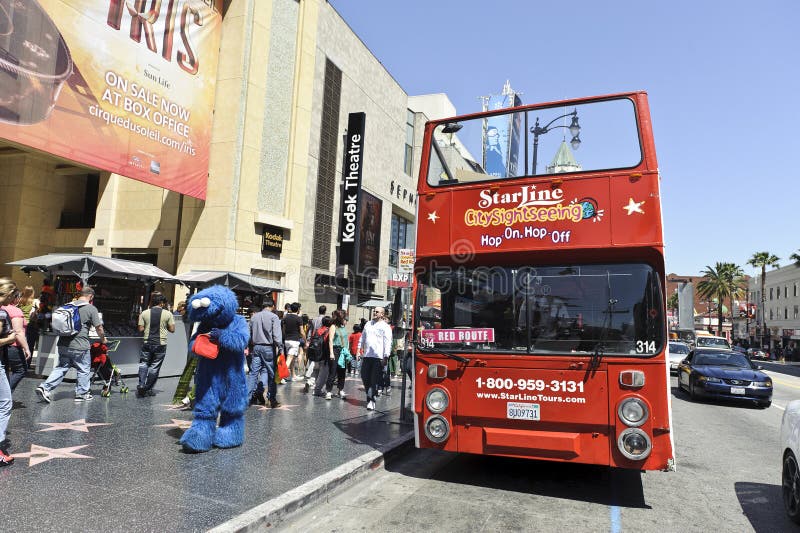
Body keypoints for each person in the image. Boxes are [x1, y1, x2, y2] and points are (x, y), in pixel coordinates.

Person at [36, 286, 107, 403]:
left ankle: (45, 387)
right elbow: (99, 327)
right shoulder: (91, 308)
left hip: (63, 344)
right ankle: (82, 394)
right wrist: (103, 339)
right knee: (83, 369)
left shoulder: (67, 305)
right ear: (91, 296)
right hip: (80, 345)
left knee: (61, 368)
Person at [0, 279, 23, 466]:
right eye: (12, 295)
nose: (14, 298)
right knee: (5, 403)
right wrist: (11, 338)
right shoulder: (1, 312)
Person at [136, 292, 175, 397]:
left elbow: (140, 329)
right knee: (154, 366)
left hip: (147, 342)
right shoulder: (168, 314)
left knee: (144, 364)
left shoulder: (144, 313)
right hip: (160, 344)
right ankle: (147, 388)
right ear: (161, 303)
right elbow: (172, 329)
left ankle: (141, 385)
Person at [248, 298, 282, 408]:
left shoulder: (254, 317)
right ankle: (271, 399)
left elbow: (249, 333)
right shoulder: (274, 317)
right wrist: (280, 347)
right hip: (268, 347)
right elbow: (277, 336)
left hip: (256, 347)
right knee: (271, 373)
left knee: (253, 373)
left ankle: (247, 398)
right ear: (272, 306)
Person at [358, 306, 392, 410]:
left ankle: (371, 400)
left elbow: (388, 342)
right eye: (374, 311)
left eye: (377, 312)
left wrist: (386, 356)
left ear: (382, 314)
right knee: (364, 377)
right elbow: (362, 337)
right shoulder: (368, 324)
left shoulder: (385, 327)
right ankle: (370, 393)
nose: (374, 313)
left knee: (374, 379)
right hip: (367, 355)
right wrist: (359, 349)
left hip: (378, 357)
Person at [1, 286, 32, 392]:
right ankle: (5, 396)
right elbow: (18, 332)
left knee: (4, 371)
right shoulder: (16, 310)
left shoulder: (2, 308)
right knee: (21, 370)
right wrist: (26, 348)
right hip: (13, 346)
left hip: (3, 345)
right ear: (15, 298)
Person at [315, 309, 347, 400]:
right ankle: (328, 391)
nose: (344, 319)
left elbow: (345, 339)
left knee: (342, 372)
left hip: (343, 351)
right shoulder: (333, 326)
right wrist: (332, 353)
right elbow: (330, 340)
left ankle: (340, 389)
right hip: (335, 350)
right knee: (332, 372)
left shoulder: (343, 326)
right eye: (343, 317)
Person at [282, 302, 303, 383]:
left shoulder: (286, 317)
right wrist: (304, 338)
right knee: (290, 358)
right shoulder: (298, 318)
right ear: (298, 309)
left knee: (292, 359)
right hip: (294, 340)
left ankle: (293, 376)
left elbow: (283, 329)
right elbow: (301, 331)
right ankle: (282, 377)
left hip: (287, 340)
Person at [18, 286, 38, 355]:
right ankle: (27, 363)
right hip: (30, 324)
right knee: (30, 345)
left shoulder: (19, 300)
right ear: (32, 292)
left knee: (20, 344)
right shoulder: (35, 301)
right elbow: (39, 311)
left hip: (20, 323)